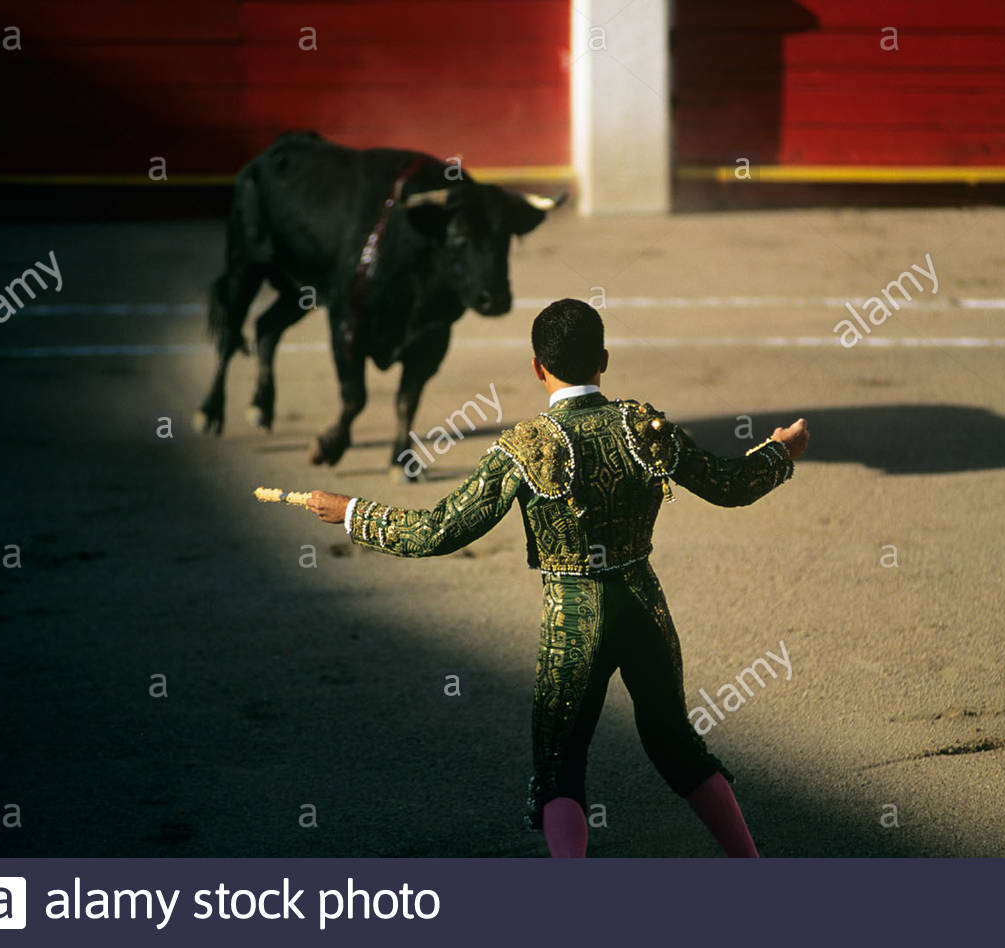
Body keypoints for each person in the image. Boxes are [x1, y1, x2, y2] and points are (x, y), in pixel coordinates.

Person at [306, 298, 809, 857]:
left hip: (573, 619)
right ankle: (753, 868)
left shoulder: (524, 447)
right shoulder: (644, 425)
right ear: (605, 360)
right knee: (677, 747)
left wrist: (353, 512)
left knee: (560, 768)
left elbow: (436, 531)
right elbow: (729, 485)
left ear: (537, 367)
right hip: (644, 604)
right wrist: (779, 452)